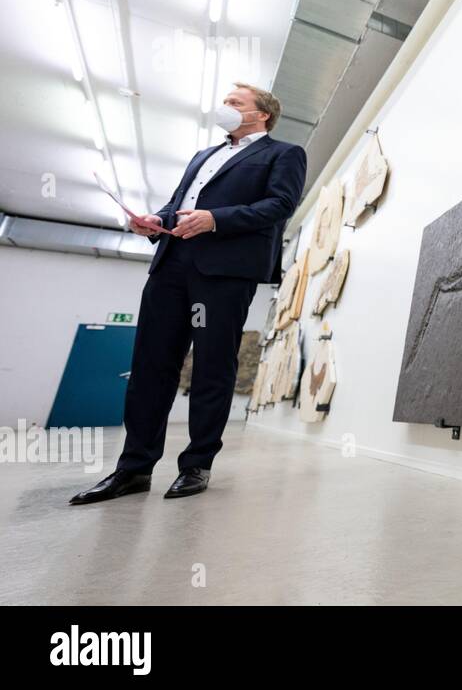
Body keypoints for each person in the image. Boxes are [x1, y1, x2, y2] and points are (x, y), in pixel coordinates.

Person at [69, 84, 307, 504]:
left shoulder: (283, 154)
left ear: (262, 115)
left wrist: (214, 219)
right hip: (171, 265)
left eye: (235, 103)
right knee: (150, 367)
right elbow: (180, 204)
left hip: (224, 272)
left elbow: (280, 205)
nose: (225, 107)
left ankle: (197, 465)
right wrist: (152, 220)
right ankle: (134, 468)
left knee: (212, 366)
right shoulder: (204, 155)